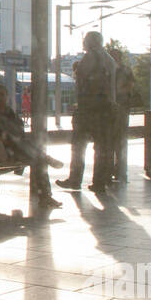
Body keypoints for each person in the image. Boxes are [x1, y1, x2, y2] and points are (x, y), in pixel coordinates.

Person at [0, 80, 62, 209]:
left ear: (6, 96)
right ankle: (45, 158)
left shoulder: (9, 112)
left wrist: (9, 135)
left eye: (2, 95)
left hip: (13, 147)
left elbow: (19, 129)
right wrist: (6, 136)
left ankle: (45, 196)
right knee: (34, 154)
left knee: (37, 159)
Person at [57, 30, 117, 193]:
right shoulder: (110, 60)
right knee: (102, 147)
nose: (83, 43)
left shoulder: (91, 57)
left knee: (78, 146)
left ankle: (75, 179)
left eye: (85, 40)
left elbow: (82, 79)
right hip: (106, 108)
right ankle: (100, 181)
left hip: (89, 109)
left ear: (90, 41)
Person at [110, 50, 136, 184]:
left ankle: (120, 171)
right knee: (113, 141)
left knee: (119, 141)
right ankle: (116, 171)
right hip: (113, 108)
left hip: (120, 108)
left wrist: (116, 94)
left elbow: (130, 86)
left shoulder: (123, 70)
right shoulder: (114, 70)